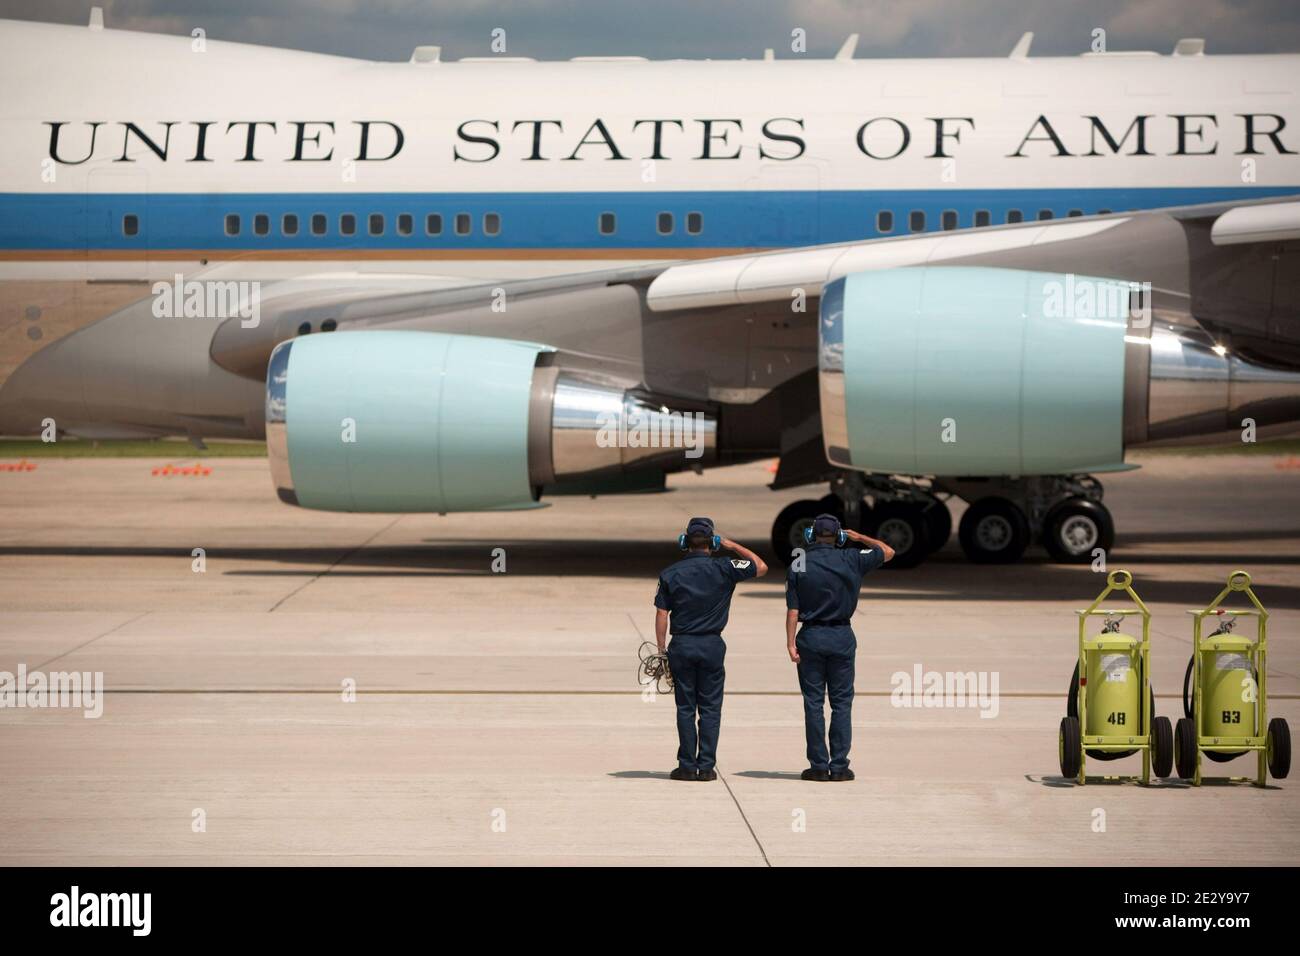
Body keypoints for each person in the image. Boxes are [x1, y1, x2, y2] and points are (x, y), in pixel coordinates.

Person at [654, 517, 767, 781]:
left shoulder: (670, 573)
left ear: (685, 543)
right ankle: (706, 767)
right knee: (710, 708)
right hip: (712, 645)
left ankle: (686, 765)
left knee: (685, 708)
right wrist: (730, 544)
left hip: (681, 644)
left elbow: (662, 614)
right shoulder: (725, 567)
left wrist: (662, 650)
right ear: (712, 542)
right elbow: (760, 566)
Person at [785, 513, 894, 781]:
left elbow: (793, 610)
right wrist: (858, 538)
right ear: (840, 536)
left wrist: (790, 643)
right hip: (842, 636)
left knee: (813, 703)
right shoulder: (853, 558)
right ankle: (840, 766)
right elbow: (888, 551)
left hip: (810, 636)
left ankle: (819, 766)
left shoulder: (800, 562)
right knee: (842, 704)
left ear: (811, 536)